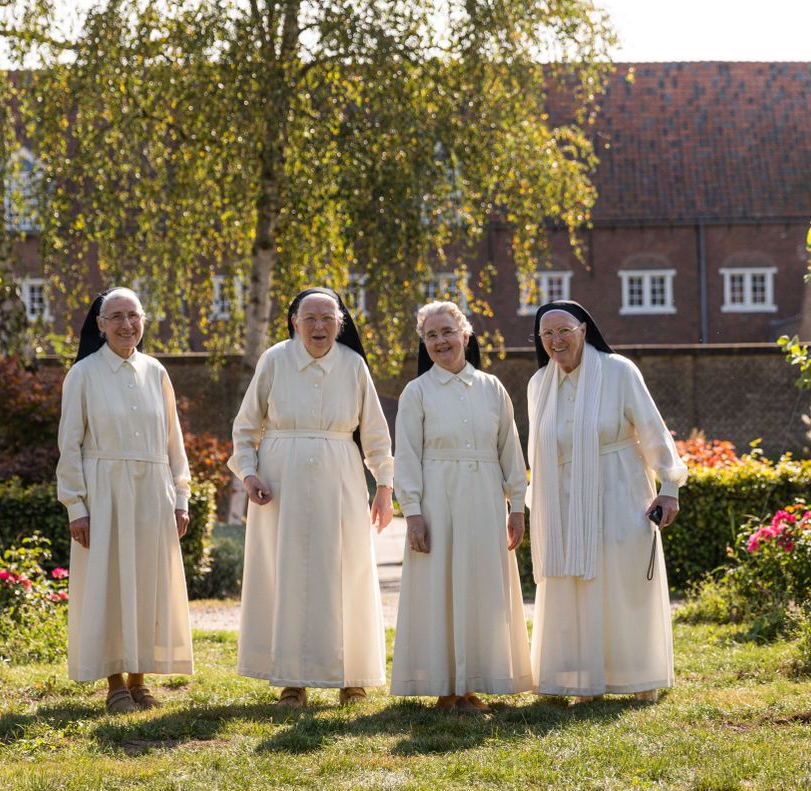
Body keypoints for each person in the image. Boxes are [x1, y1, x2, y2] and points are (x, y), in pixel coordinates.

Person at [229, 288, 394, 707]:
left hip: (341, 476)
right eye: (310, 319)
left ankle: (351, 677)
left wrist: (385, 488)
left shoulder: (354, 365)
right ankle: (291, 681)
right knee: (288, 577)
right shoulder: (273, 360)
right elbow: (246, 427)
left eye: (327, 318)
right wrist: (248, 474)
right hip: (280, 482)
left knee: (345, 572)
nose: (319, 327)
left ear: (340, 323)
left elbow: (375, 433)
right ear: (294, 322)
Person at [526, 300, 687, 702]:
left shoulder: (618, 372)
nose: (555, 340)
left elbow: (653, 430)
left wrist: (669, 486)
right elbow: (537, 451)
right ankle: (582, 680)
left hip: (620, 488)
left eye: (563, 330)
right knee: (574, 586)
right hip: (562, 500)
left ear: (583, 330)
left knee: (623, 581)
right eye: (547, 334)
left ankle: (639, 678)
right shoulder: (537, 385)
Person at [56, 287, 193, 714]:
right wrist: (76, 506)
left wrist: (181, 496)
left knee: (148, 584)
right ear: (100, 324)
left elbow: (173, 440)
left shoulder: (156, 372)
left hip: (153, 492)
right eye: (115, 317)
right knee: (110, 585)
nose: (126, 325)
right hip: (105, 493)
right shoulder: (83, 374)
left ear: (144, 320)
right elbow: (70, 446)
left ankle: (140, 680)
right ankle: (114, 683)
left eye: (133, 315)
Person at [391, 301, 533, 712]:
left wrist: (518, 507)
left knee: (481, 587)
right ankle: (445, 687)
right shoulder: (416, 393)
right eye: (431, 335)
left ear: (465, 335)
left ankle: (476, 681)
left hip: (486, 500)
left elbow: (510, 451)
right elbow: (407, 457)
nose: (440, 341)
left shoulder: (492, 388)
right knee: (440, 587)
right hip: (437, 500)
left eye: (447, 332)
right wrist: (413, 511)